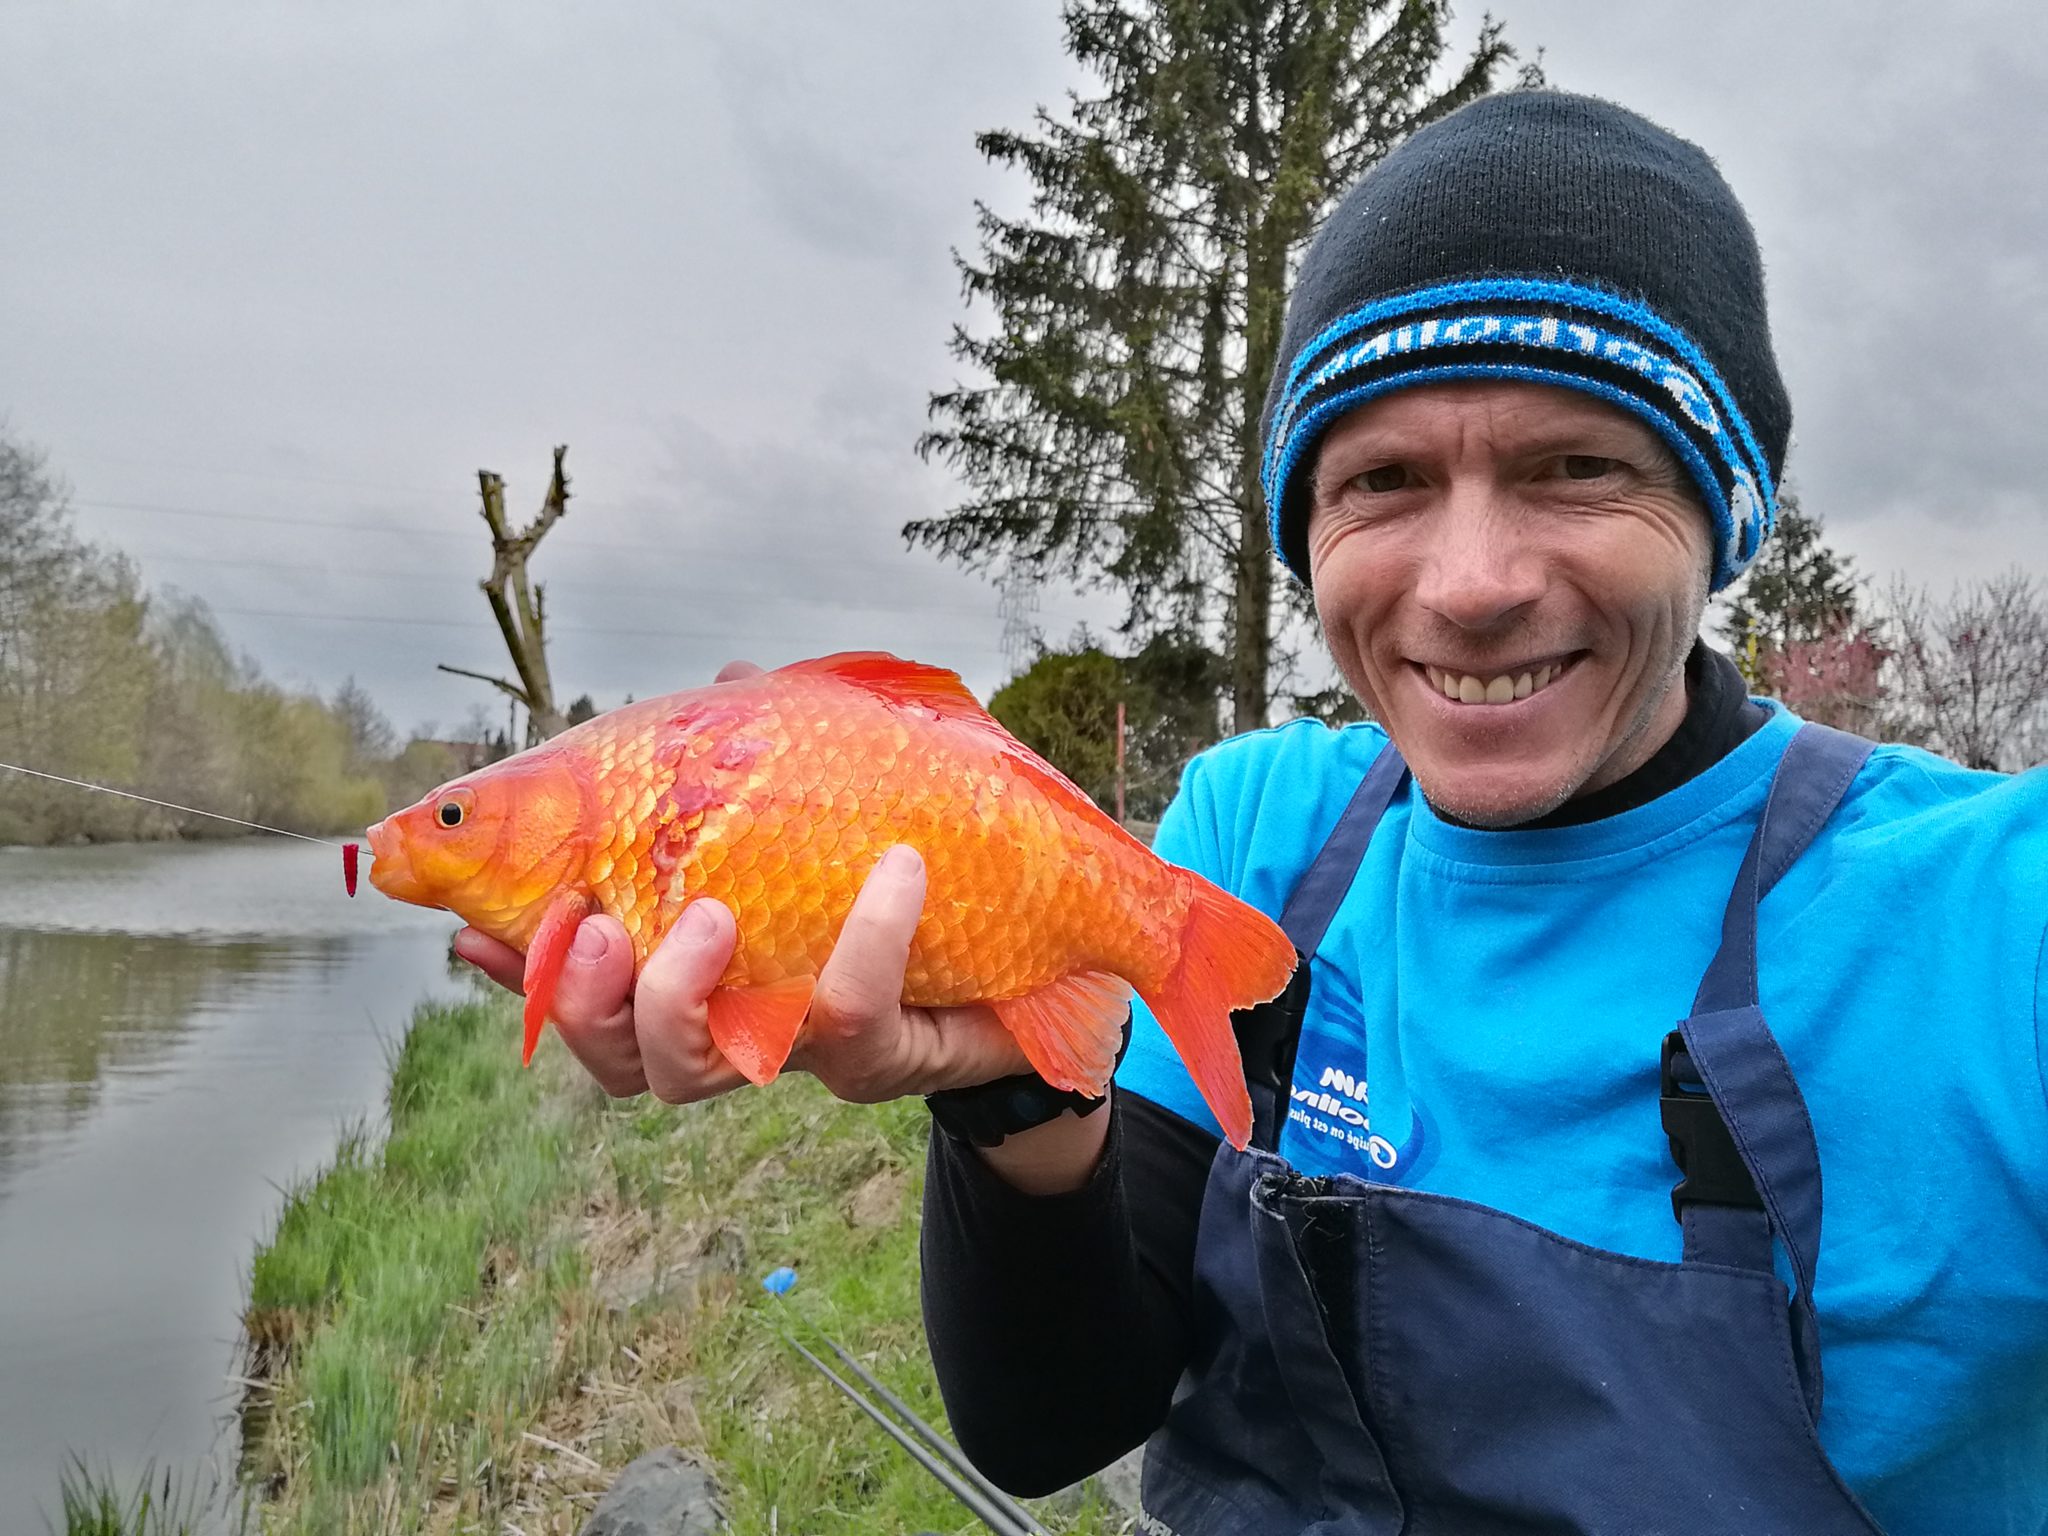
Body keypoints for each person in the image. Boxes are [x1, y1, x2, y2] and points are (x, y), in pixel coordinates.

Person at [455, 91, 2048, 1535]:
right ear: (1305, 528)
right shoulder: (1253, 835)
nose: (1474, 584)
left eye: (1578, 465)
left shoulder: (1984, 915)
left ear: (1722, 512)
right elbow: (1057, 1423)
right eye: (1382, 482)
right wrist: (1010, 1095)